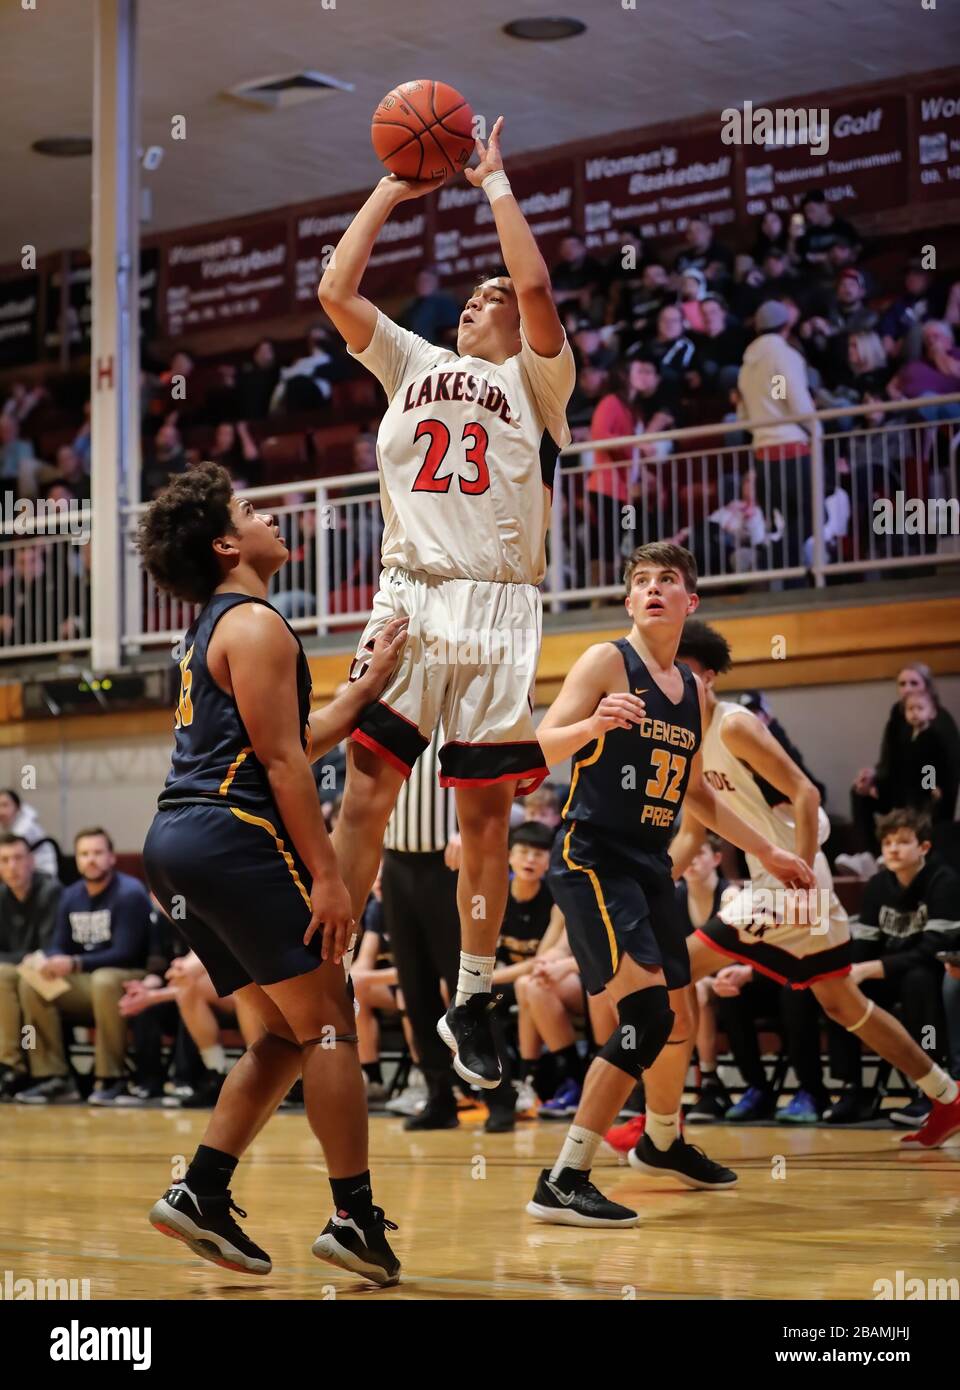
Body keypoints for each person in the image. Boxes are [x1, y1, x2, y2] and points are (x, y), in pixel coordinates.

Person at [317, 115, 575, 1097]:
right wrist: (394, 186)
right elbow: (336, 290)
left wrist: (497, 185)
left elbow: (540, 288)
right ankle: (331, 958)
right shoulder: (412, 362)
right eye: (471, 295)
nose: (482, 301)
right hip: (412, 596)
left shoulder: (539, 380)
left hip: (504, 610)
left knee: (483, 823)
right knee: (369, 788)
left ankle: (472, 999)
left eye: (492, 298)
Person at [137, 461, 407, 1286]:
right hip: (233, 839)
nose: (270, 516)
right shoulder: (256, 624)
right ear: (226, 543)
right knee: (331, 1019)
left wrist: (361, 693)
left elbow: (281, 745)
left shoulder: (214, 629)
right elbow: (286, 769)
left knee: (282, 1037)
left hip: (180, 843)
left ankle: (203, 1191)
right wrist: (328, 878)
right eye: (251, 509)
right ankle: (354, 1218)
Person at [525, 543, 815, 1227]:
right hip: (594, 855)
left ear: (691, 602)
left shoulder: (692, 697)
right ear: (629, 602)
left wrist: (769, 851)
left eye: (668, 581)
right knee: (648, 1018)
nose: (653, 589)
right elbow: (538, 745)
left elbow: (696, 800)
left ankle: (661, 1143)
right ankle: (563, 1178)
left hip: (651, 863)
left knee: (679, 1016)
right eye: (641, 581)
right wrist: (594, 724)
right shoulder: (606, 662)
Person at [642, 619, 960, 1159]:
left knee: (674, 968)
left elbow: (808, 793)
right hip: (779, 878)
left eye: (681, 669)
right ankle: (948, 1097)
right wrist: (648, 887)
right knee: (841, 1002)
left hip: (794, 875)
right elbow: (694, 832)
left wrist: (804, 875)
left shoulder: (736, 726)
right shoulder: (686, 736)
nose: (667, 680)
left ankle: (662, 1127)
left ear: (710, 677)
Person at [826, 808, 960, 1127]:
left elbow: (933, 951)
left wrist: (872, 968)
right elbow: (863, 943)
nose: (893, 850)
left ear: (924, 847)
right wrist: (850, 972)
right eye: (887, 843)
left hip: (929, 971)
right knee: (839, 989)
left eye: (902, 842)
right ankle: (853, 1089)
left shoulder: (945, 882)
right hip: (887, 970)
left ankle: (928, 1089)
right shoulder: (876, 885)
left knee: (919, 981)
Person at [16, 828, 151, 1105]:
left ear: (112, 858)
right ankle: (53, 1077)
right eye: (84, 854)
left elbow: (126, 953)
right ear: (76, 860)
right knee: (32, 980)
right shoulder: (70, 895)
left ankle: (111, 1079)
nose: (91, 860)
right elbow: (58, 944)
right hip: (85, 981)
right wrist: (48, 960)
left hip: (128, 977)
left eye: (98, 853)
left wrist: (75, 962)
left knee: (103, 980)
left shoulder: (129, 892)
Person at [0, 834, 61, 1100]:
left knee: (22, 977)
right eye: (4, 860)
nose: (12, 866)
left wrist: (20, 959)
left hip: (52, 971)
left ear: (31, 861)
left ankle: (46, 1073)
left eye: (18, 858)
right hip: (16, 970)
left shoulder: (51, 890)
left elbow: (49, 948)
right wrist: (20, 959)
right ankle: (11, 1066)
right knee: (3, 975)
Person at [0, 789, 59, 880]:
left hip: (41, 876)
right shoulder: (9, 825)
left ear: (18, 807)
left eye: (5, 805)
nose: (1, 811)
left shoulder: (25, 828)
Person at [399, 267, 461, 347]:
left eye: (426, 281)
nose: (422, 284)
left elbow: (453, 330)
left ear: (436, 282)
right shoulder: (412, 307)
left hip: (440, 349)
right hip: (415, 350)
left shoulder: (445, 302)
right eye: (419, 281)